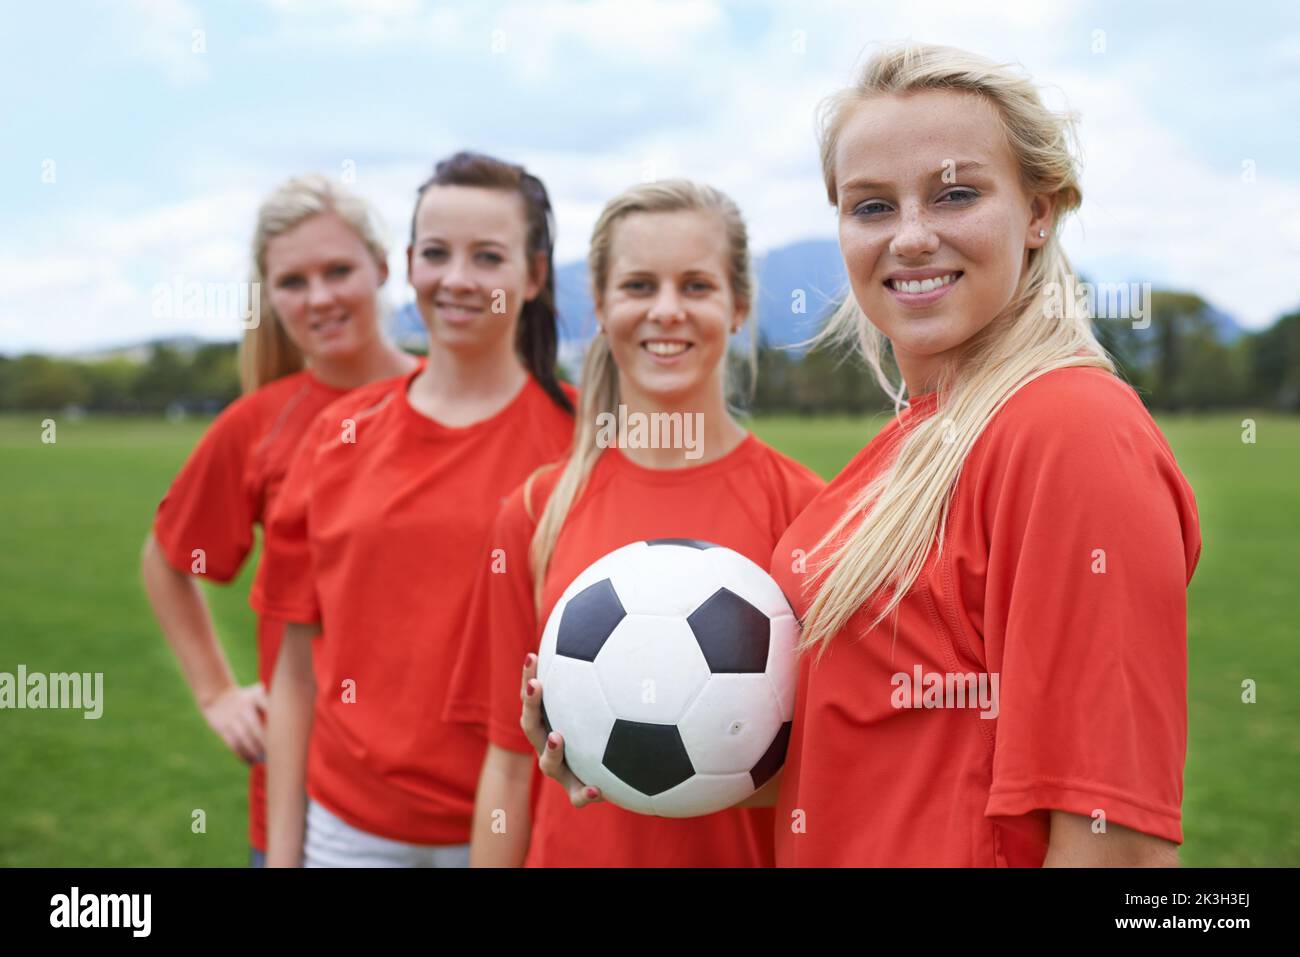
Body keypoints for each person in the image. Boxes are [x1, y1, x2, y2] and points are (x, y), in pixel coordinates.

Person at [524, 44, 1201, 867]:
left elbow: (1115, 840)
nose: (911, 237)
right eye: (872, 206)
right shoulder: (913, 443)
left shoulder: (1071, 431)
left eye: (956, 194)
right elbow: (878, 757)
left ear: (1038, 210)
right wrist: (611, 729)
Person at [447, 179, 825, 867]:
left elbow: (835, 774)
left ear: (739, 305)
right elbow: (505, 766)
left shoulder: (810, 512)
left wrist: (636, 778)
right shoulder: (534, 512)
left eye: (697, 286)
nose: (668, 311)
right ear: (599, 305)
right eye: (640, 286)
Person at [254, 151, 575, 867]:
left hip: (522, 828)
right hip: (347, 833)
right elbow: (295, 671)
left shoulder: (585, 443)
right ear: (407, 264)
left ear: (533, 275)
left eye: (487, 256)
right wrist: (282, 854)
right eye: (437, 253)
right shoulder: (335, 438)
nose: (457, 278)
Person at [142, 174, 418, 867]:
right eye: (293, 281)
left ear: (383, 268)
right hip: (310, 798)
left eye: (338, 270)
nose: (320, 297)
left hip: (467, 787)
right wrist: (216, 693)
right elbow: (171, 559)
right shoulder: (261, 424)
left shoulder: (456, 397)